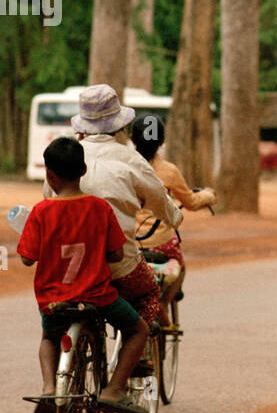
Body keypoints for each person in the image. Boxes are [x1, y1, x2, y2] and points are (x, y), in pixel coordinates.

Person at [18, 136, 151, 413]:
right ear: (84, 171)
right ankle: (114, 390)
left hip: (54, 300)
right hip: (97, 297)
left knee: (49, 338)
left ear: (49, 176)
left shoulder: (41, 212)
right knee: (138, 330)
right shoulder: (100, 208)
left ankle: (49, 388)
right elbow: (117, 254)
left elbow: (27, 258)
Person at [52, 85, 183, 371]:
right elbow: (161, 200)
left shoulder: (67, 156)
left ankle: (57, 381)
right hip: (119, 265)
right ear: (121, 125)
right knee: (149, 294)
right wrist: (174, 218)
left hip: (69, 268)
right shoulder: (131, 159)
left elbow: (48, 200)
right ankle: (125, 374)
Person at [132, 116, 215, 323]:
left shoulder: (124, 166)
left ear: (133, 138)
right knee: (180, 268)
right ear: (162, 141)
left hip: (129, 242)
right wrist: (208, 195)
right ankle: (163, 302)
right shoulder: (169, 171)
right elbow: (191, 202)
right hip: (161, 244)